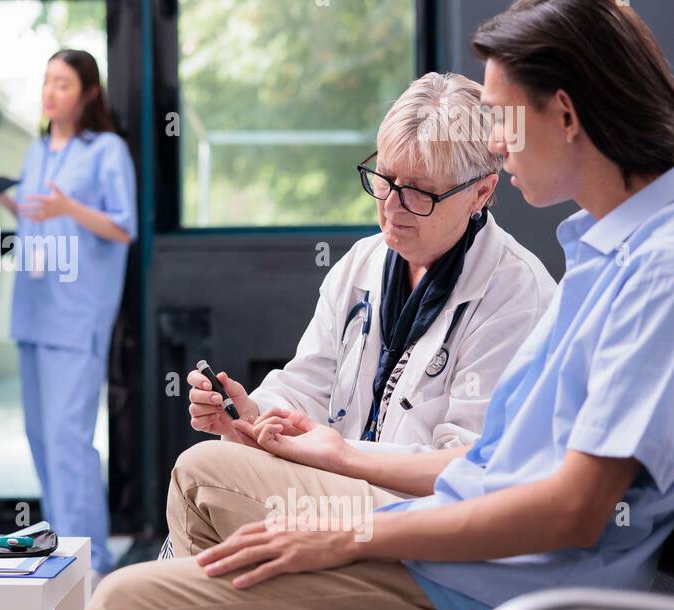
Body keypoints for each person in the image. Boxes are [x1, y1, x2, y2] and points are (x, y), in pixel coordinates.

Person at [86, 0, 674, 610]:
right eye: (385, 184)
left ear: (566, 115)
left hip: (502, 598)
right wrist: (316, 444)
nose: (496, 144)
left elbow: (572, 510)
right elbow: (490, 463)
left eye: (503, 122)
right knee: (205, 471)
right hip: (457, 544)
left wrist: (349, 531)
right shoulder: (600, 253)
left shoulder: (647, 272)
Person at [170, 72, 556, 562]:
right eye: (386, 179)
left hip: (424, 521)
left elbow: (473, 468)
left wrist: (346, 456)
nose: (392, 206)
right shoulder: (362, 263)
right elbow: (309, 383)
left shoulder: (516, 294)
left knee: (201, 475)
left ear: (480, 194)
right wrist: (253, 416)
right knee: (214, 473)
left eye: (420, 192)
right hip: (340, 488)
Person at [0, 49, 136, 576]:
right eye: (47, 82)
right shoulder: (36, 151)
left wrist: (69, 208)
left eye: (64, 83)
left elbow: (123, 227)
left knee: (68, 438)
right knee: (39, 434)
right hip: (32, 309)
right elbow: (36, 217)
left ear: (88, 93)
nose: (51, 92)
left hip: (78, 313)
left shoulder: (107, 151)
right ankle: (61, 545)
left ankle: (90, 553)